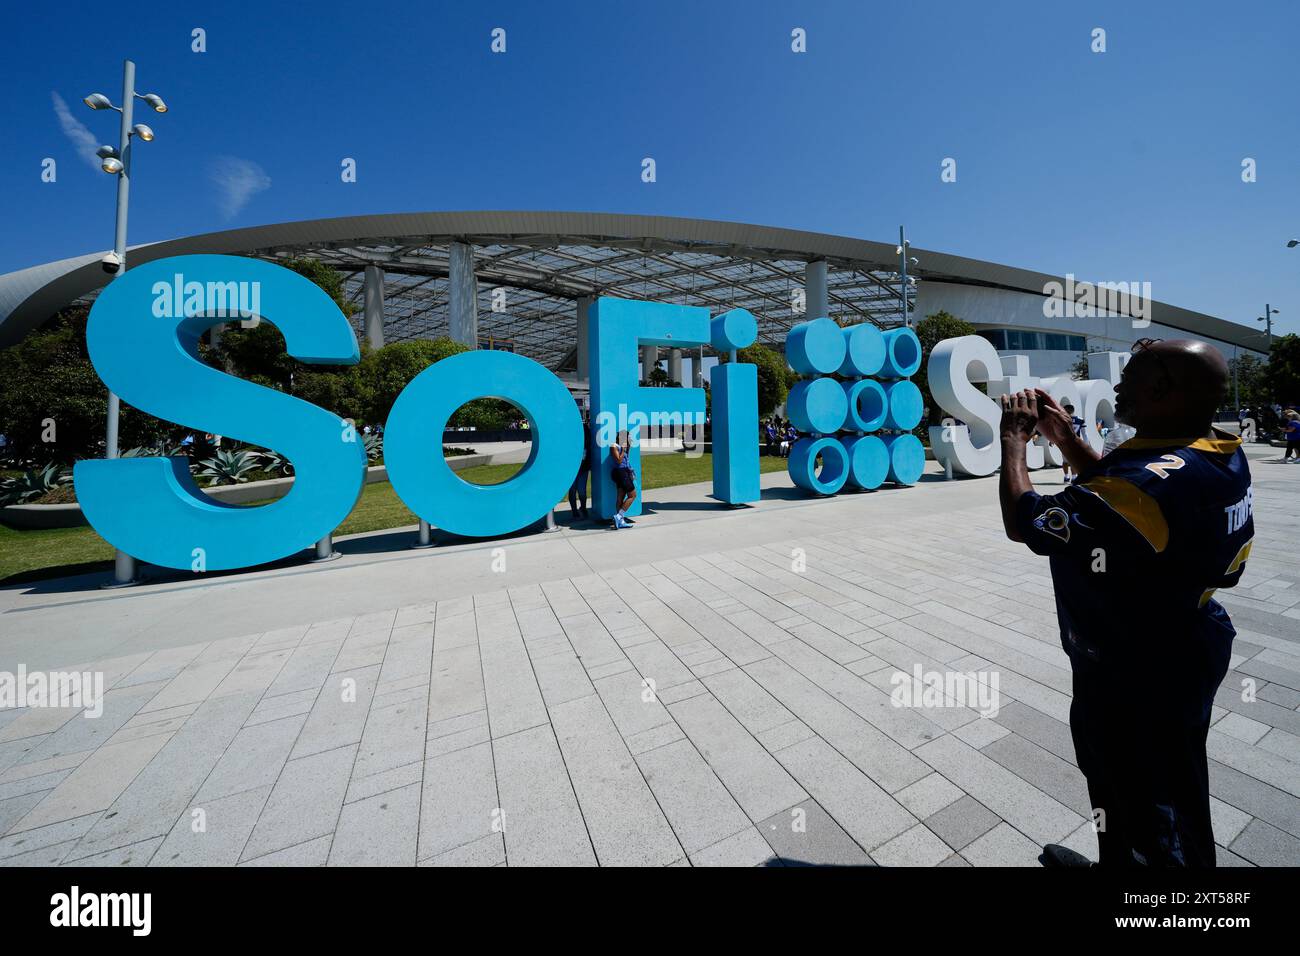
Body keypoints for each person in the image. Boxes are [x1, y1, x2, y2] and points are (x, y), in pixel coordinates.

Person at [998, 338, 1253, 868]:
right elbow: (1120, 496)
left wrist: (1014, 442)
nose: (1118, 384)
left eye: (1131, 373)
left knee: (1144, 801)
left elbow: (1025, 521)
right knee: (1160, 785)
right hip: (1184, 641)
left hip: (1135, 668)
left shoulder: (1140, 487)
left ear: (1161, 388)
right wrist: (1067, 441)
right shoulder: (1217, 450)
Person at [609, 431, 637, 529]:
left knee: (620, 496)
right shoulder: (614, 446)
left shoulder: (624, 447)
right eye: (627, 437)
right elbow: (619, 460)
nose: (629, 438)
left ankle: (620, 521)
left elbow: (626, 461)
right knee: (633, 495)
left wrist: (631, 472)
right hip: (620, 473)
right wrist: (623, 450)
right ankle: (619, 516)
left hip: (625, 472)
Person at [568, 413, 594, 519]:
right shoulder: (569, 429)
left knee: (582, 490)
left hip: (583, 467)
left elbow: (589, 443)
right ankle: (574, 510)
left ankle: (583, 507)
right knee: (573, 490)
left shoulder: (584, 428)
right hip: (572, 467)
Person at [1059, 402, 1086, 484]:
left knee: (1065, 461)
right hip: (1075, 443)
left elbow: (1058, 431)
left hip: (1065, 443)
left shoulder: (1061, 419)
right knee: (1073, 461)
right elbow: (1084, 433)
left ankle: (1066, 476)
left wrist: (1052, 440)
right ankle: (1074, 477)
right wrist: (1086, 443)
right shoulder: (1080, 420)